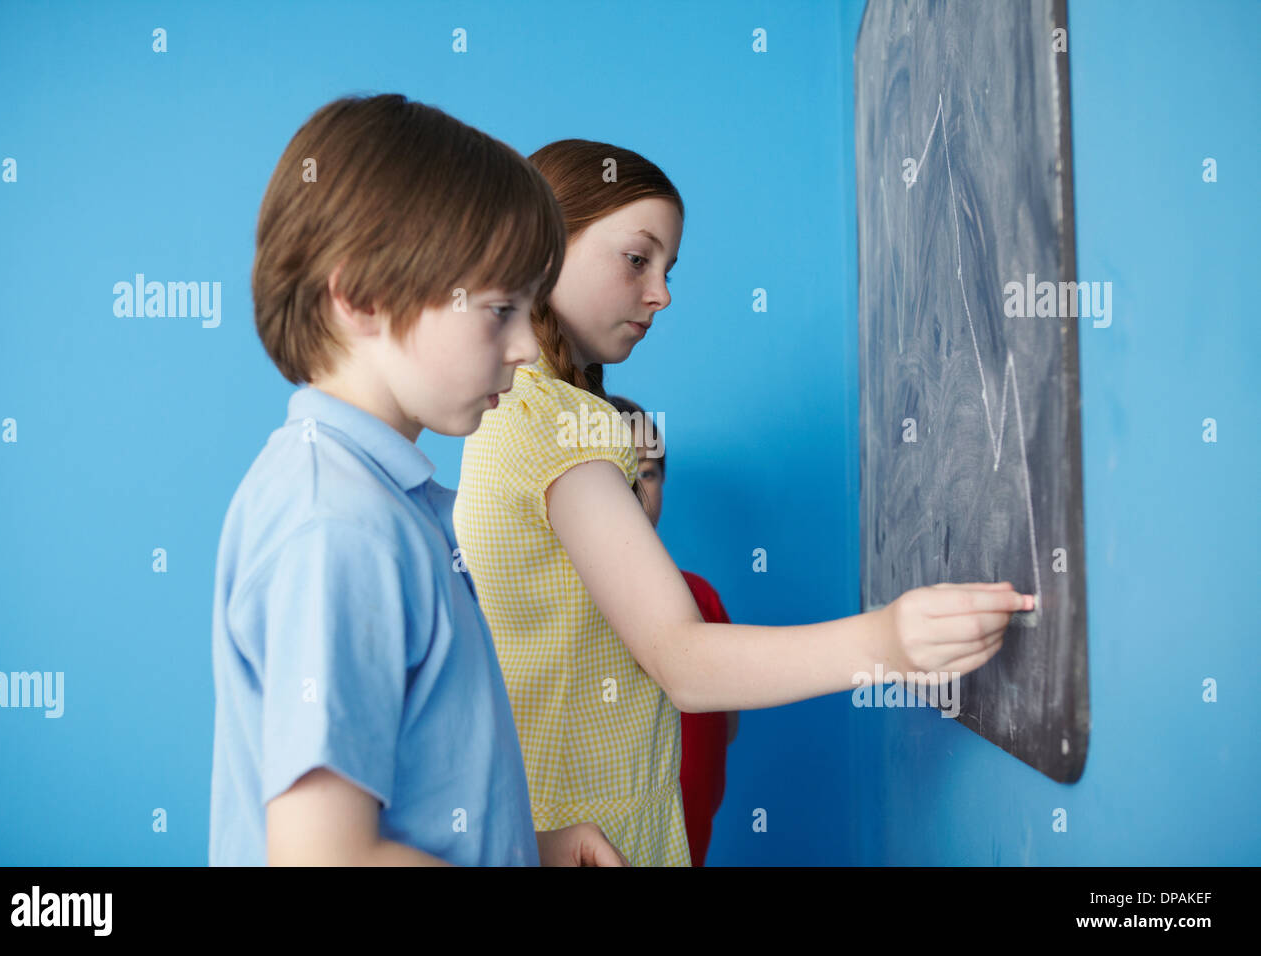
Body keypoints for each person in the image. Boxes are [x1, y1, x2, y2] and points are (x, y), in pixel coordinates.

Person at [453, 139, 1034, 866]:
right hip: (603, 834)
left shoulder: (509, 412)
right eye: (638, 258)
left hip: (542, 824)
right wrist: (887, 644)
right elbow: (683, 663)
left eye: (668, 270)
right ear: (543, 243)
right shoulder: (560, 423)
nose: (662, 294)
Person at [209, 95, 627, 867]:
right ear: (362, 297)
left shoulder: (378, 504)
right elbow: (325, 860)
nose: (528, 351)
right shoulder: (337, 526)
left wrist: (523, 850)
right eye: (500, 309)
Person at [606, 393, 736, 868]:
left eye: (647, 472)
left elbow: (725, 728)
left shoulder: (700, 598)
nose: (637, 490)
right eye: (616, 473)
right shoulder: (556, 612)